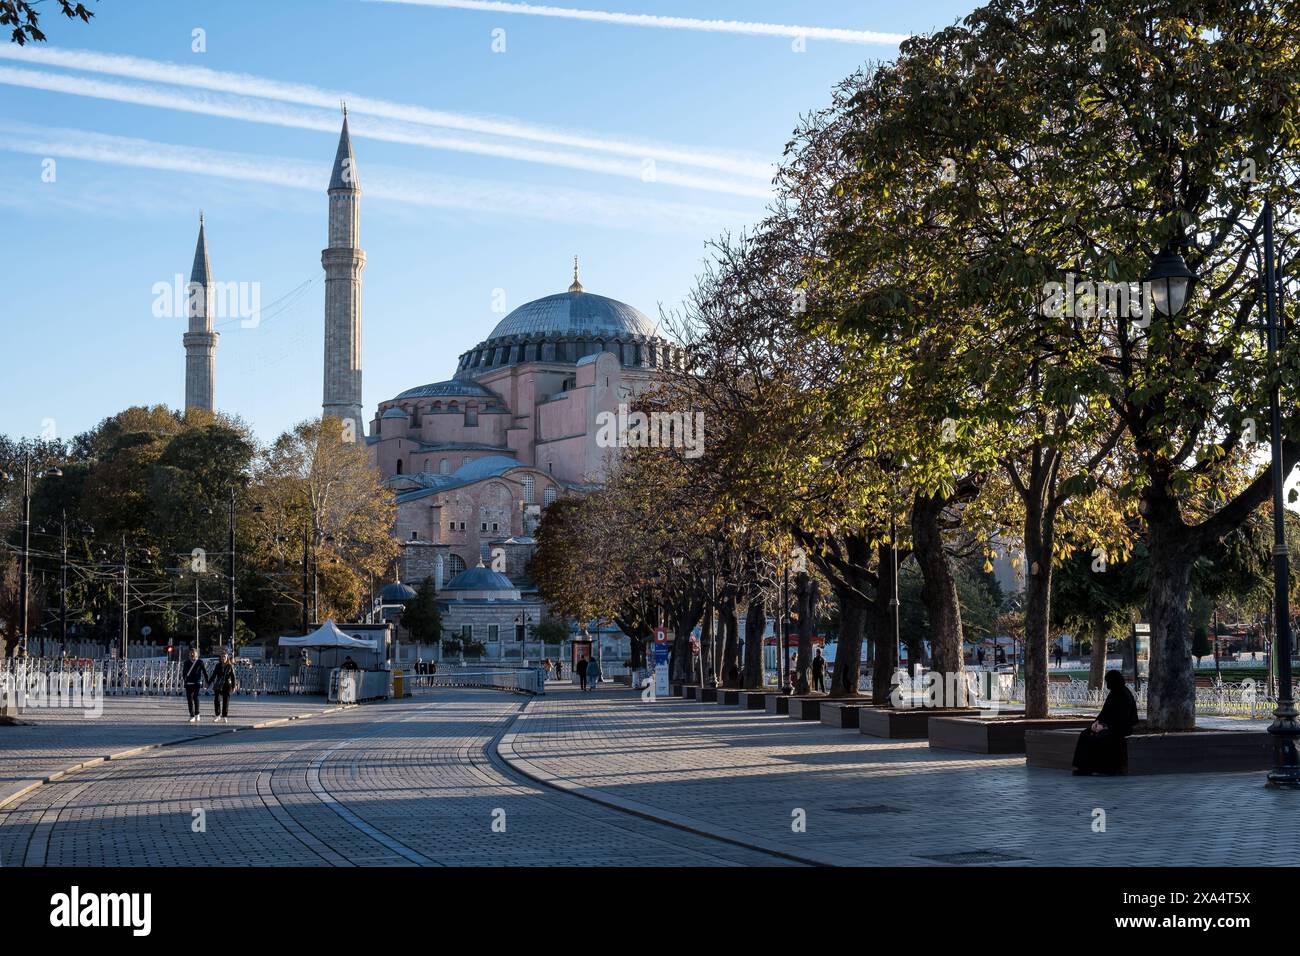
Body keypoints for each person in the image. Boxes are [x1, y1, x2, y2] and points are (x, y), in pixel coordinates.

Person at [1072, 670, 1139, 776]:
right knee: (1085, 734)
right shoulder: (1114, 693)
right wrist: (1096, 723)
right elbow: (1104, 712)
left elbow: (1122, 718)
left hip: (1121, 728)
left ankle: (1105, 769)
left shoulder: (1124, 695)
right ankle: (1083, 767)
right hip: (1108, 726)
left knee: (1101, 738)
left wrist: (1104, 726)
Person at [208, 649, 237, 724]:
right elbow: (214, 675)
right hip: (218, 685)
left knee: (225, 701)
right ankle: (217, 715)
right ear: (220, 658)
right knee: (216, 700)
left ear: (227, 657)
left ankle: (224, 716)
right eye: (222, 657)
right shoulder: (218, 665)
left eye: (224, 656)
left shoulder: (230, 666)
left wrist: (234, 687)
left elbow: (233, 677)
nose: (223, 658)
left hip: (227, 685)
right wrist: (209, 682)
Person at [182, 648, 208, 724]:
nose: (192, 654)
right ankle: (192, 715)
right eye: (191, 653)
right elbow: (184, 673)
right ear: (189, 654)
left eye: (193, 653)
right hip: (189, 683)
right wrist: (185, 680)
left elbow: (204, 672)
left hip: (197, 682)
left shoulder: (200, 662)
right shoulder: (186, 662)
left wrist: (207, 681)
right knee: (189, 699)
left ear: (196, 654)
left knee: (196, 697)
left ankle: (197, 713)